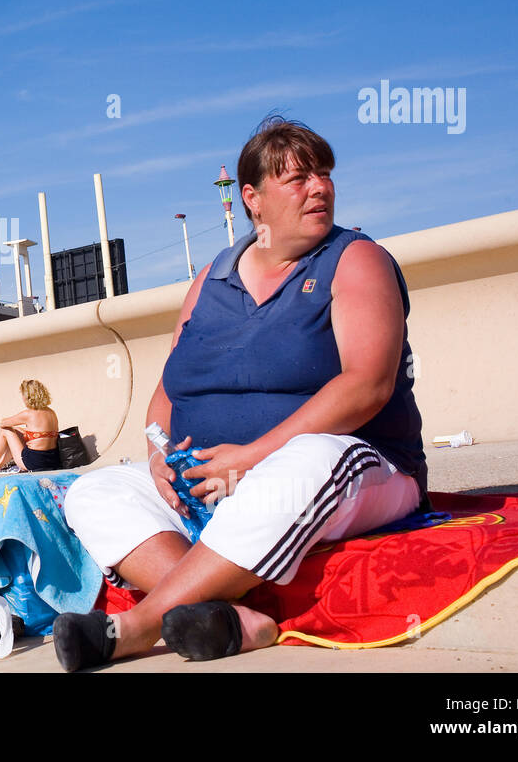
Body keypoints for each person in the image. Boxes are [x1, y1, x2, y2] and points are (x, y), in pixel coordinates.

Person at [54, 116, 426, 670]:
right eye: (298, 178)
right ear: (252, 198)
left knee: (310, 459)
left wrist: (253, 457)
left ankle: (135, 626)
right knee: (95, 491)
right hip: (220, 479)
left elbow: (367, 386)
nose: (319, 187)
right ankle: (231, 616)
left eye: (323, 173)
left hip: (358, 468)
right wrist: (159, 454)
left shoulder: (354, 260)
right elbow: (168, 389)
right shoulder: (212, 278)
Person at [0, 379, 61, 474]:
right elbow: (42, 435)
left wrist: (15, 428)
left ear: (27, 397)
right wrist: (20, 430)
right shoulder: (51, 413)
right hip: (52, 461)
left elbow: (3, 423)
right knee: (17, 432)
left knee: (6, 430)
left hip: (34, 463)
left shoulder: (28, 414)